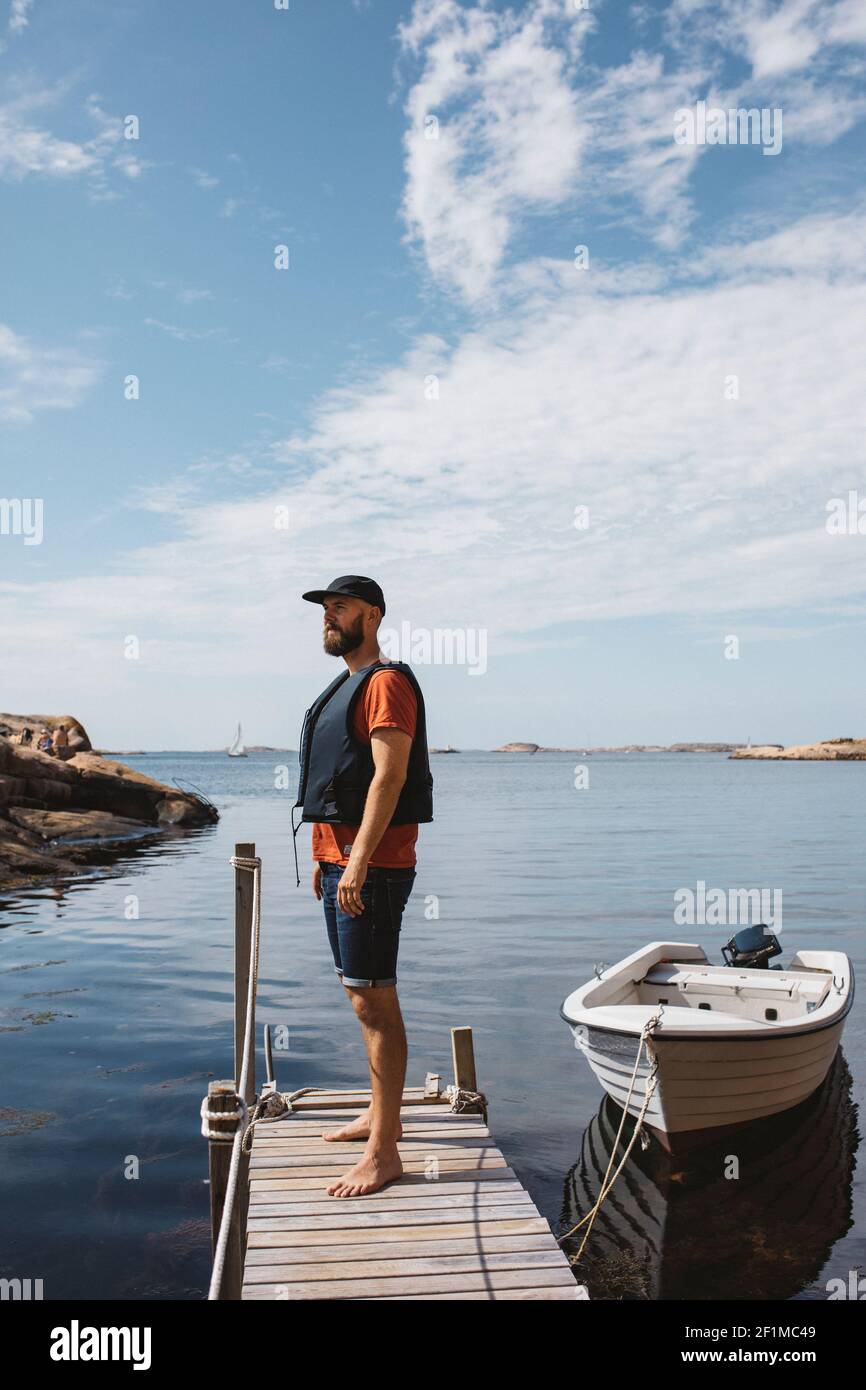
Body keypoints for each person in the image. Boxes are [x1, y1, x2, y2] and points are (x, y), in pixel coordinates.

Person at [294, 575, 433, 1198]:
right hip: (340, 863)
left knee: (375, 1000)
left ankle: (385, 1152)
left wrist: (355, 864)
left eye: (340, 608)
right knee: (360, 998)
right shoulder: (347, 684)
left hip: (369, 868)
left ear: (371, 616)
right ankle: (380, 1117)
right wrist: (329, 862)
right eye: (325, 609)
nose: (329, 618)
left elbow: (389, 778)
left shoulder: (385, 683)